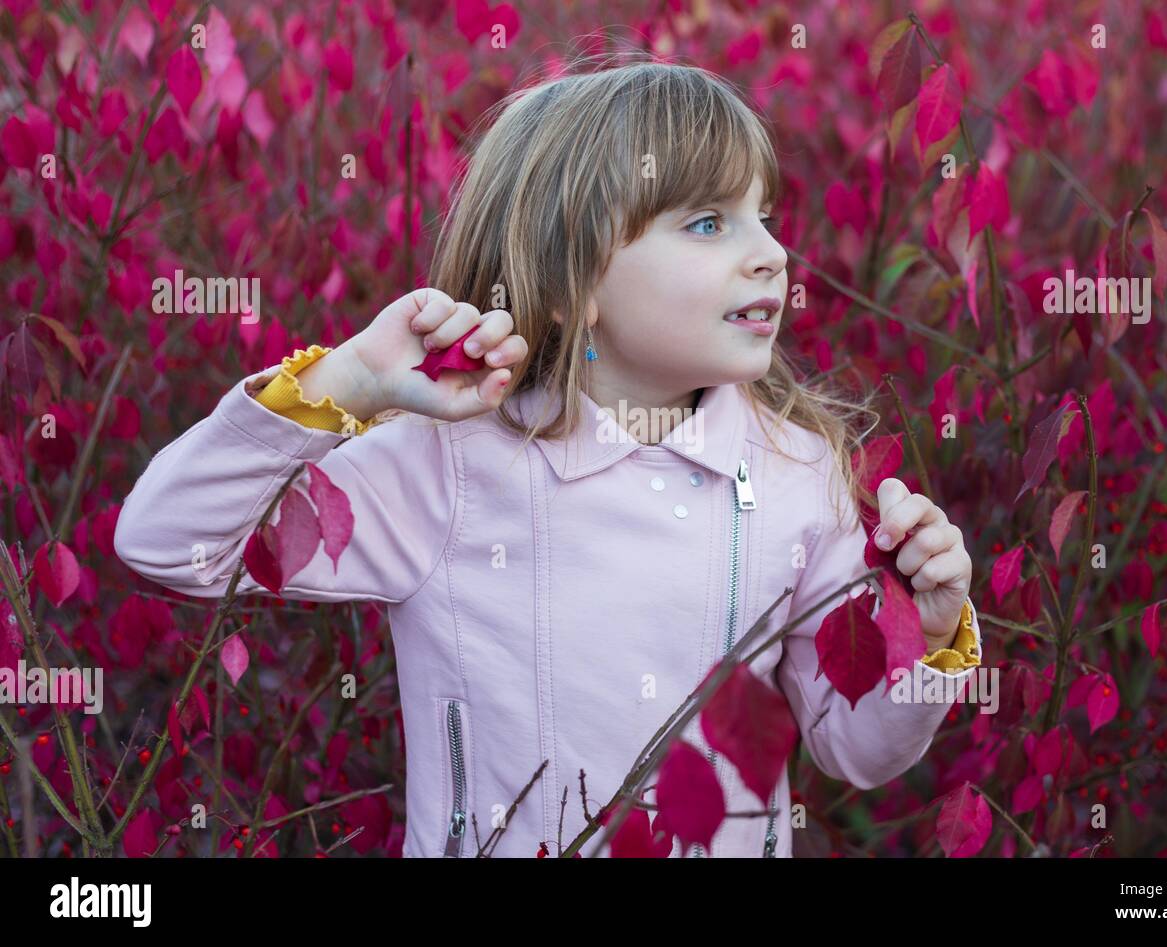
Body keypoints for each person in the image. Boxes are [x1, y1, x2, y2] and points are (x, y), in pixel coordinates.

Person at [115, 59, 983, 858]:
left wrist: (929, 633)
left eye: (765, 216)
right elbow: (166, 540)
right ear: (576, 281)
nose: (769, 251)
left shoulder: (800, 474)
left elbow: (854, 748)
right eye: (711, 222)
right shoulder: (448, 468)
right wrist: (347, 383)